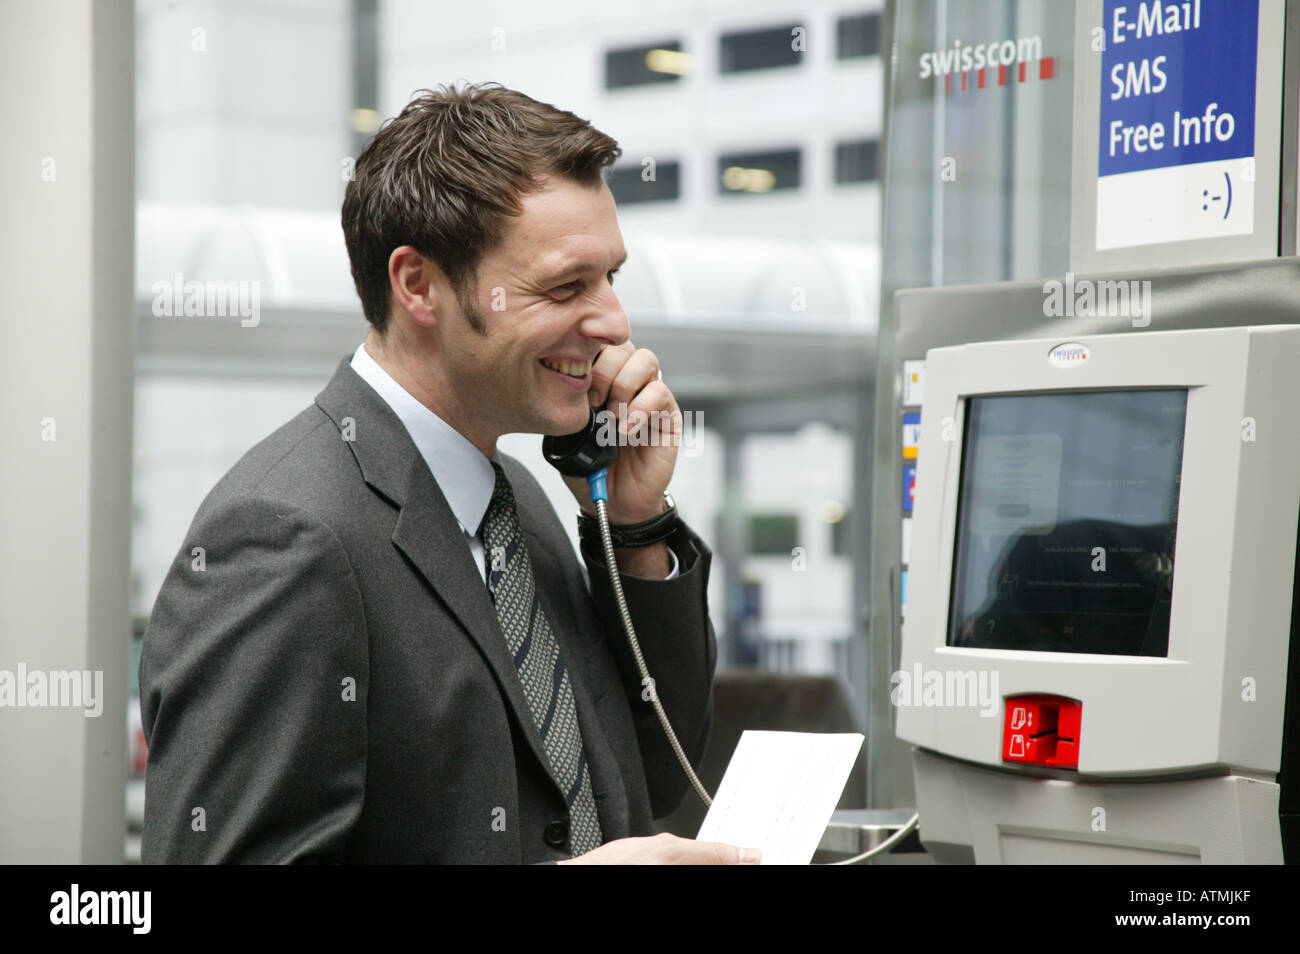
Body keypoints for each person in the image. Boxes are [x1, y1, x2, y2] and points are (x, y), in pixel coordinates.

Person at [139, 82, 758, 864]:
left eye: (612, 278)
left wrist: (633, 528)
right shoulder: (284, 536)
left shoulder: (519, 502)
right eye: (567, 285)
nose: (612, 322)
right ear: (418, 285)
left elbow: (653, 776)